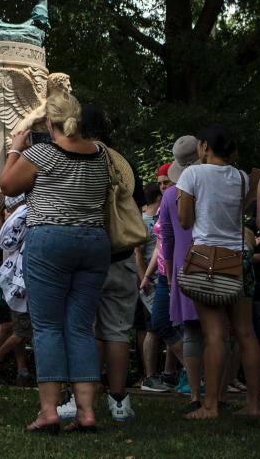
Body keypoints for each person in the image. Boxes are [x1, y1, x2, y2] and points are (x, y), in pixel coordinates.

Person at [0, 74, 109, 434]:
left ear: (50, 122)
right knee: (80, 325)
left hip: (50, 241)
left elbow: (7, 185)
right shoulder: (100, 153)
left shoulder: (41, 153)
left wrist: (16, 146)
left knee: (47, 327)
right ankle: (87, 411)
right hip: (94, 242)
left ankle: (49, 411)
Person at [52, 105, 141, 424]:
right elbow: (136, 203)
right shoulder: (122, 162)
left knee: (82, 330)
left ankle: (81, 398)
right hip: (121, 255)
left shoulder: (74, 158)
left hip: (85, 253)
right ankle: (119, 401)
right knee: (117, 331)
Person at [177, 125, 260, 419]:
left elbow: (185, 221)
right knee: (246, 333)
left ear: (203, 146)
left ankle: (209, 406)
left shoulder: (192, 174)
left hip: (206, 261)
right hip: (240, 259)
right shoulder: (240, 177)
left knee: (215, 335)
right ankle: (252, 405)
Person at [158, 156, 204, 409]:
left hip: (184, 263)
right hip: (218, 259)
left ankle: (196, 395)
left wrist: (170, 271)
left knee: (192, 332)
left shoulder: (171, 194)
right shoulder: (217, 182)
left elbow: (167, 234)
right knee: (221, 332)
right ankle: (219, 394)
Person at [0, 194, 32, 386]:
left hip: (14, 288)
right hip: (19, 288)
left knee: (19, 329)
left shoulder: (9, 229)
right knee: (22, 331)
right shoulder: (16, 228)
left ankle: (22, 371)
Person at [137, 180, 167, 392]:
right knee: (153, 329)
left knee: (156, 327)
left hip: (156, 280)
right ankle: (149, 376)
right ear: (158, 197)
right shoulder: (144, 222)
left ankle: (160, 374)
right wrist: (143, 278)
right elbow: (137, 252)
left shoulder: (151, 219)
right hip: (149, 283)